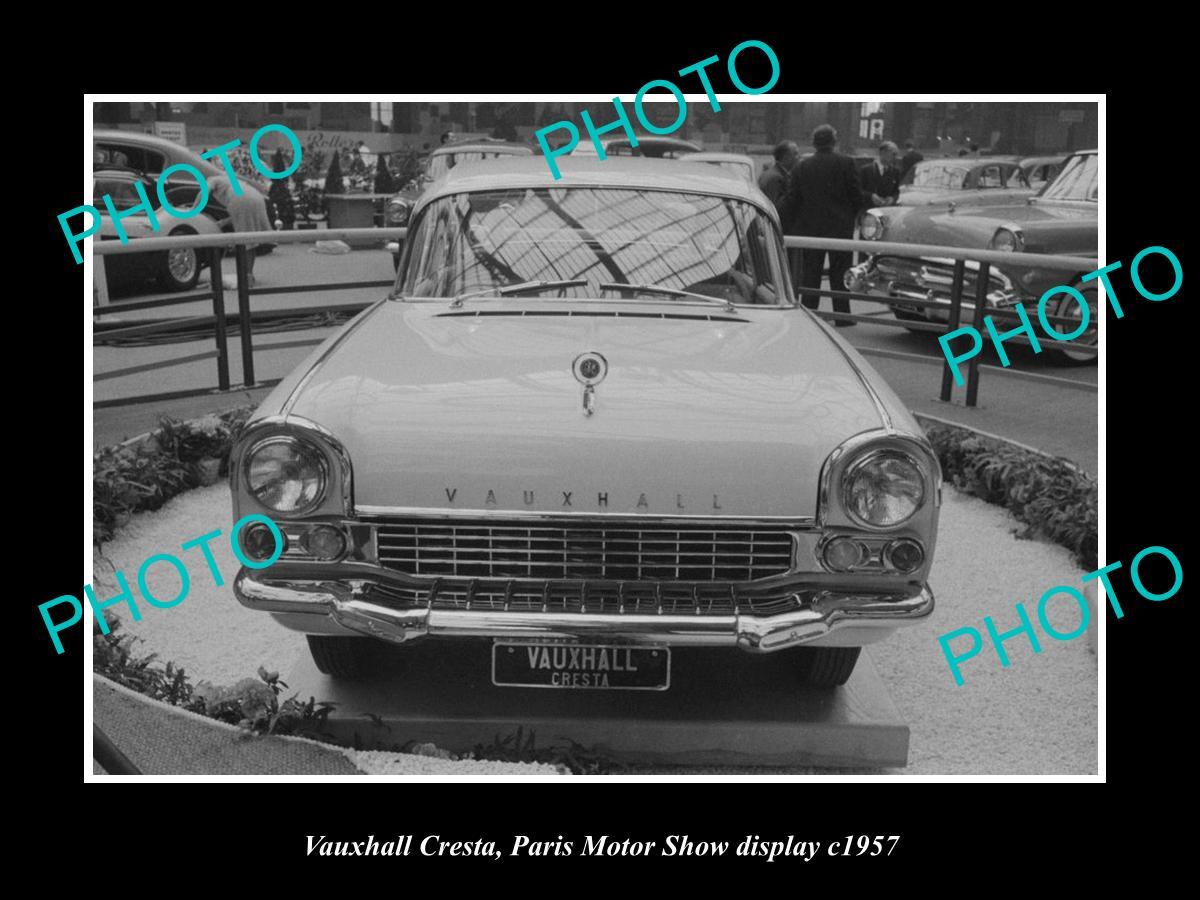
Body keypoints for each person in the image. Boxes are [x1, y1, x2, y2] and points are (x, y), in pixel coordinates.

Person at [783, 124, 867, 324]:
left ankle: (811, 314)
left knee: (811, 274)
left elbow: (794, 199)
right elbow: (856, 194)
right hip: (840, 227)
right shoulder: (846, 163)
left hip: (811, 229)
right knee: (840, 273)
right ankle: (842, 315)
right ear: (834, 141)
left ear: (814, 143)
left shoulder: (802, 166)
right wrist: (852, 216)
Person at [208, 174, 273, 287]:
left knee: (245, 242)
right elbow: (240, 214)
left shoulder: (211, 179)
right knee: (251, 241)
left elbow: (202, 194)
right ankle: (249, 274)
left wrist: (193, 209)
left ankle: (246, 277)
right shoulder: (230, 179)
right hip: (257, 198)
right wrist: (222, 222)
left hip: (241, 199)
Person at [758, 141, 801, 285]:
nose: (798, 157)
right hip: (778, 234)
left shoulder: (772, 174)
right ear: (786, 157)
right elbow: (775, 209)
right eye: (795, 153)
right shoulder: (777, 178)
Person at [859, 141, 902, 207]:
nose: (895, 157)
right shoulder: (866, 170)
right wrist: (871, 196)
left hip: (887, 210)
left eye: (896, 154)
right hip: (869, 210)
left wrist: (892, 198)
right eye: (893, 154)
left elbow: (896, 191)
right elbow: (858, 190)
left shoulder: (895, 172)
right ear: (883, 153)